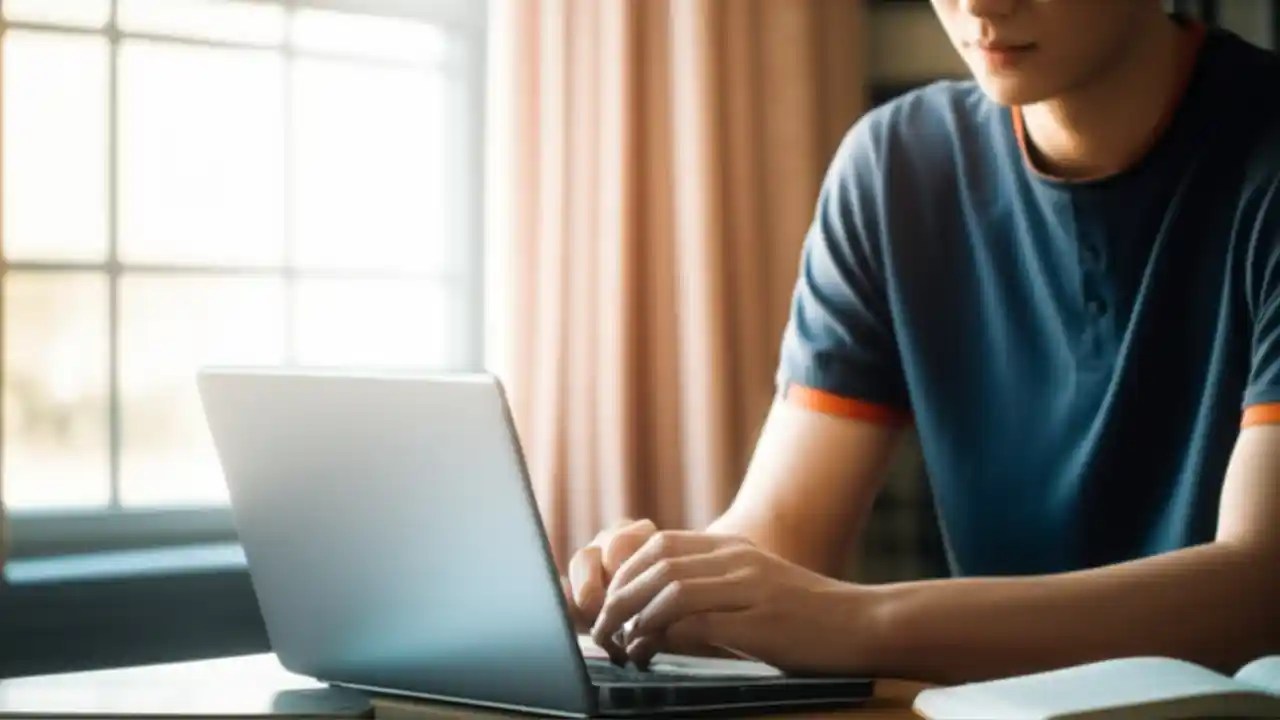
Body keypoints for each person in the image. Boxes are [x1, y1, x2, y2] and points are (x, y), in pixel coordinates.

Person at [566, 0, 1280, 684]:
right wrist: (669, 580)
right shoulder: (898, 165)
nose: (981, 4)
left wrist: (855, 622)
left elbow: (1259, 585)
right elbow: (784, 529)